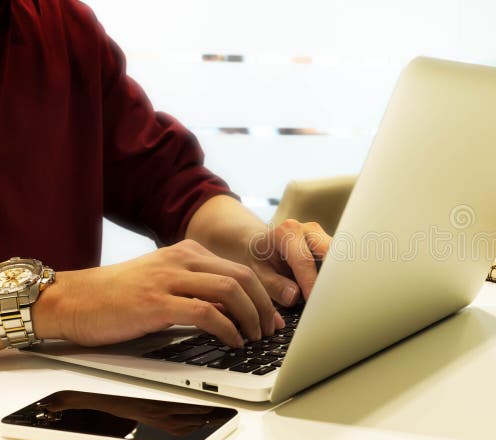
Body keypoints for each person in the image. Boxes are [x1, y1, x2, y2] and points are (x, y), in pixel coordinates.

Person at [0, 0, 330, 350]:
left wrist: (255, 246)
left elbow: (166, 182)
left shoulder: (59, 24)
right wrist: (59, 302)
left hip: (58, 386)